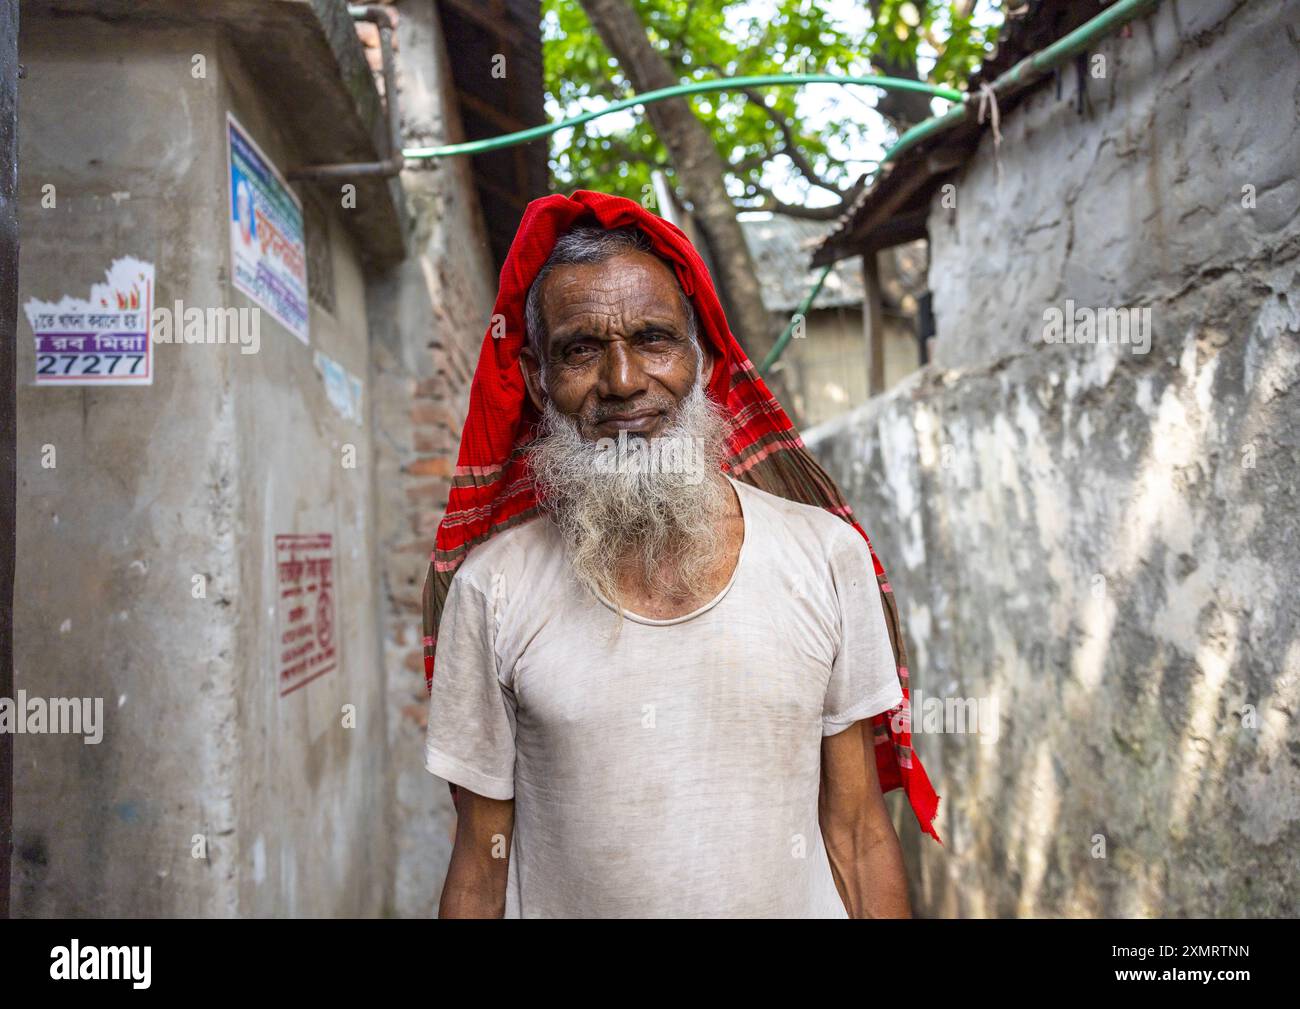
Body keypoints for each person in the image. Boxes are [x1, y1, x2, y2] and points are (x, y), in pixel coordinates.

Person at [421, 191, 940, 918]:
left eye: (654, 339)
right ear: (540, 381)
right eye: (581, 350)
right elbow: (480, 860)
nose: (624, 380)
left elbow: (855, 834)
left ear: (701, 359)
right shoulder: (492, 590)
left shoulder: (825, 556)